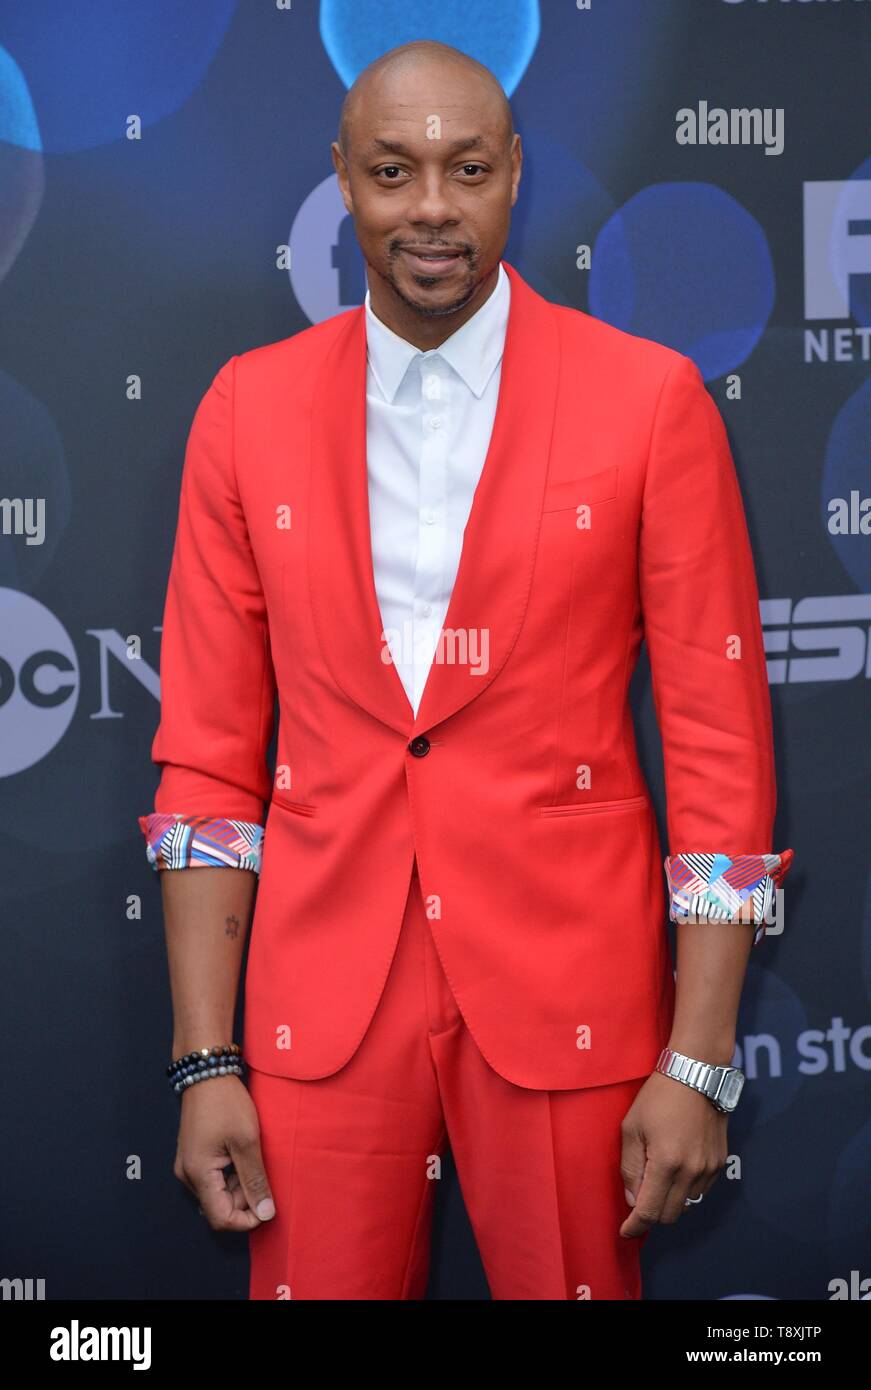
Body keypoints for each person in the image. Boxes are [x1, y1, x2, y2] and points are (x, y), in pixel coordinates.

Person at [138, 39, 794, 1300]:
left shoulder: (649, 403)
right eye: (393, 171)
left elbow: (719, 754)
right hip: (318, 1010)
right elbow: (209, 760)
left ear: (512, 179)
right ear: (341, 180)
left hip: (573, 996)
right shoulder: (245, 410)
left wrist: (698, 1058)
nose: (430, 207)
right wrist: (203, 1057)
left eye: (466, 169)